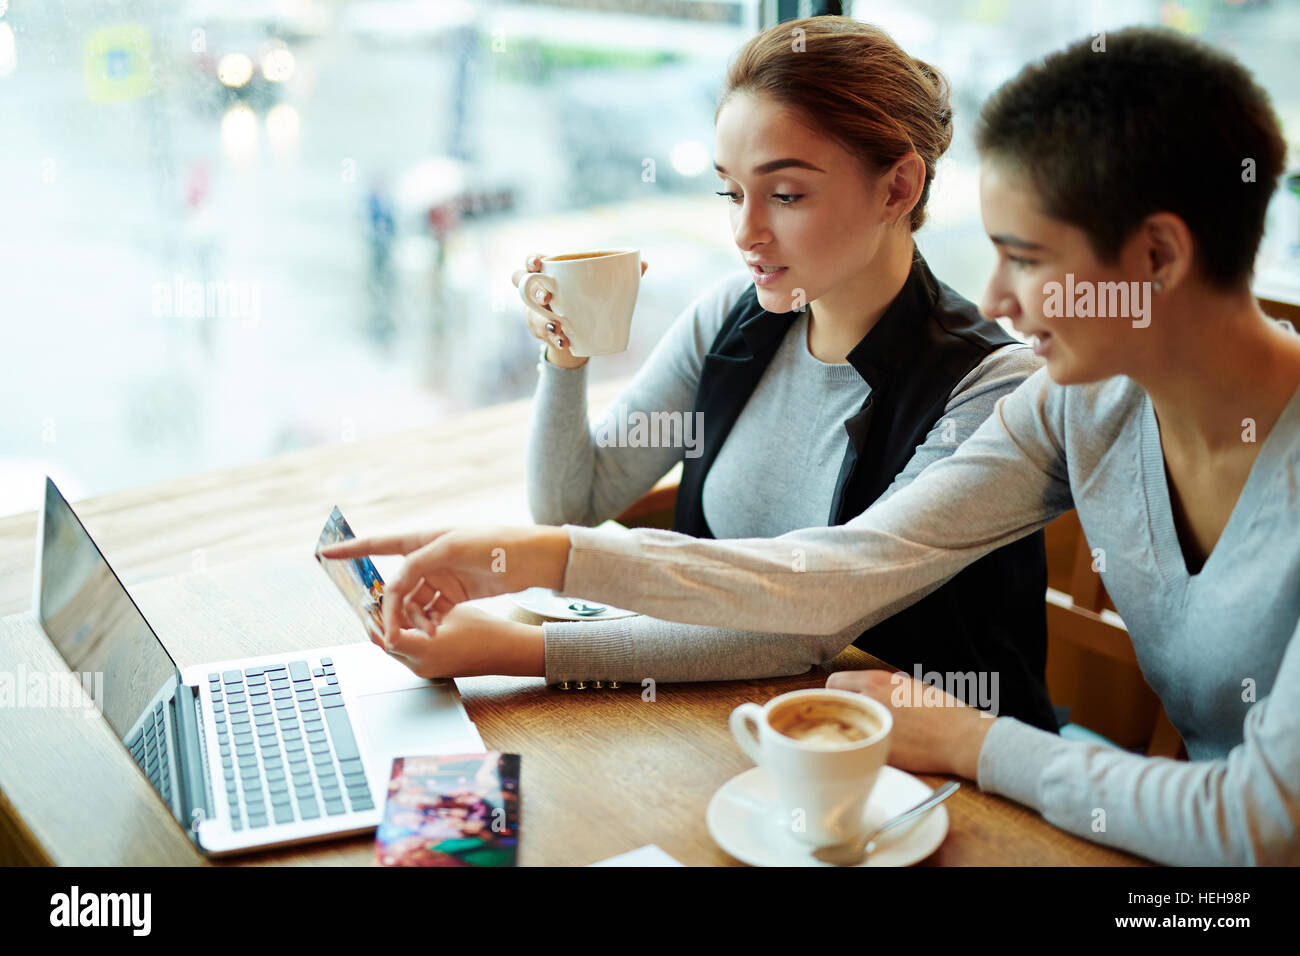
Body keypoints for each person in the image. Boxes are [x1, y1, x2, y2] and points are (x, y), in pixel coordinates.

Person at [323, 25, 1300, 866]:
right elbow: (836, 575)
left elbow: (1260, 822)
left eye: (1027, 259)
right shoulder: (1077, 404)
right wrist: (526, 554)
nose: (998, 299)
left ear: (1158, 258)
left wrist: (967, 736)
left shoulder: (1008, 381)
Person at [344, 18, 1059, 729]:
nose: (745, 233)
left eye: (785, 195)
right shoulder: (734, 319)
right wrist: (565, 352)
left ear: (898, 187)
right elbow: (575, 500)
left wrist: (521, 646)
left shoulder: (992, 388)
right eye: (730, 192)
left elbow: (808, 619)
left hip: (945, 786)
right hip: (747, 730)